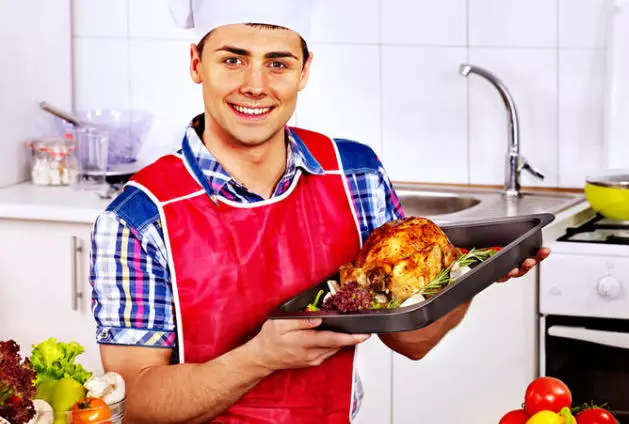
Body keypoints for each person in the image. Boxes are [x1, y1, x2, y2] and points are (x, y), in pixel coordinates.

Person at [88, 1, 550, 423]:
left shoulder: (355, 174)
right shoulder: (139, 216)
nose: (255, 85)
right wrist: (260, 357)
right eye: (233, 60)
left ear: (304, 71)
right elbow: (139, 402)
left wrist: (472, 274)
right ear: (196, 64)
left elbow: (412, 340)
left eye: (278, 63)